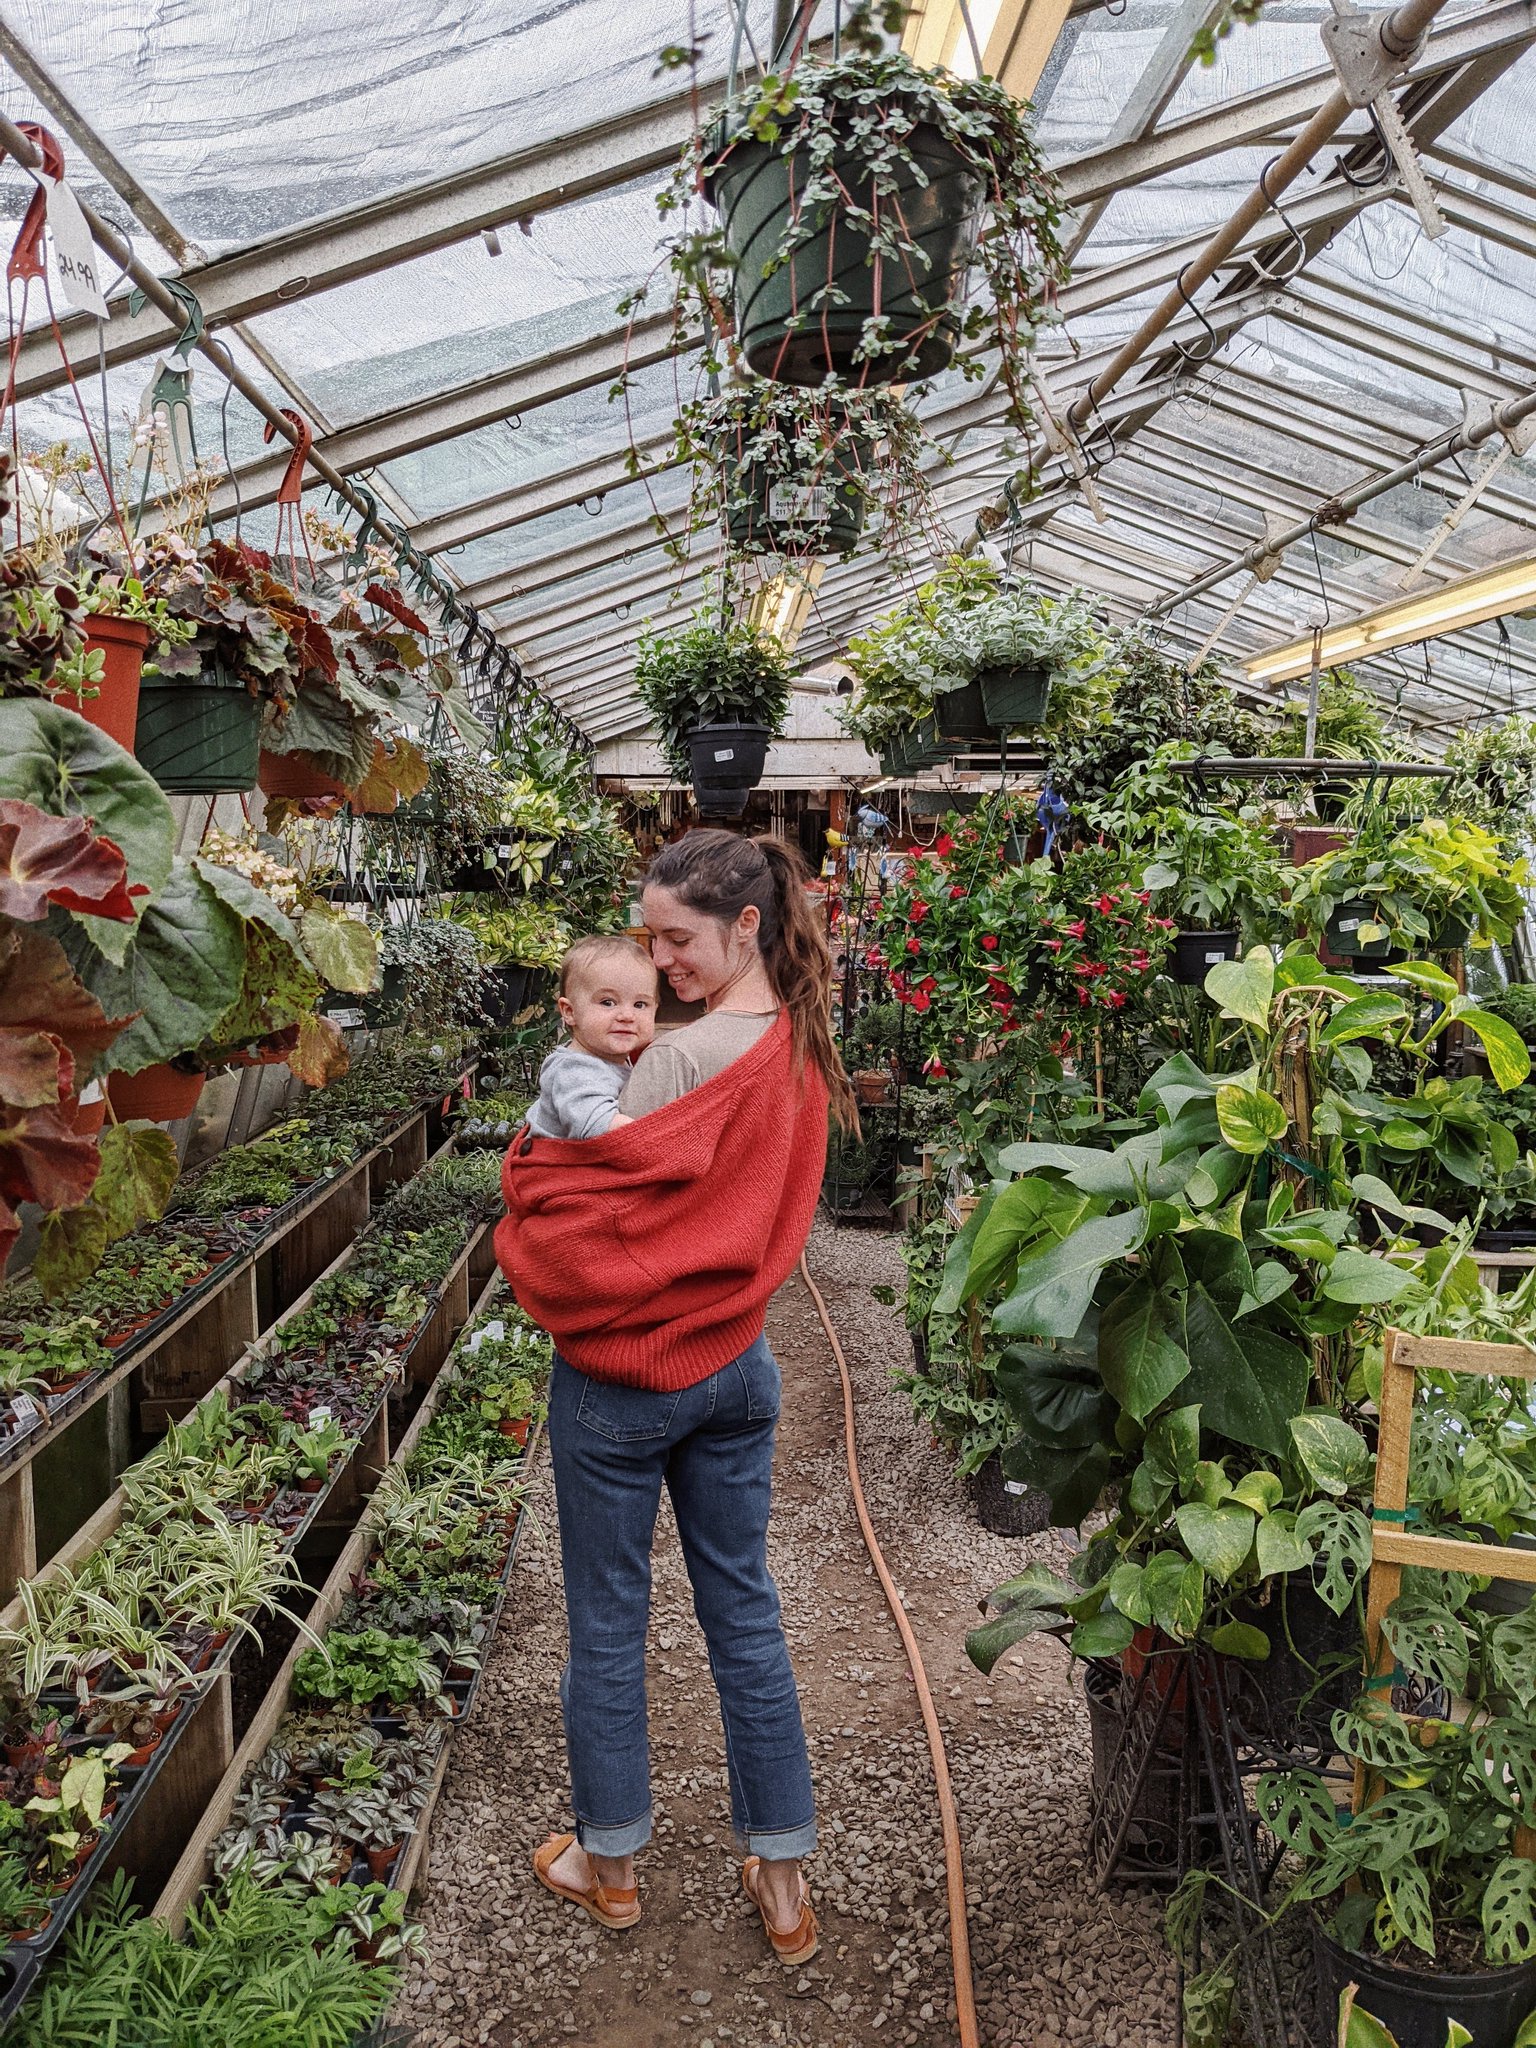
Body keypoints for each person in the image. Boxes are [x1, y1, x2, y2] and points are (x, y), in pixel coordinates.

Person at [497, 831, 858, 1967]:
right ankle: (785, 1880)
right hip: (739, 1368)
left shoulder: (675, 1061)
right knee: (743, 1606)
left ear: (745, 924)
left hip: (625, 1381)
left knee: (607, 1619)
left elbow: (578, 1225)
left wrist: (526, 1182)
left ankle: (608, 1871)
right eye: (648, 936)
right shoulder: (797, 1037)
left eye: (676, 938)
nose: (657, 962)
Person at [525, 934, 658, 1141]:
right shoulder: (573, 1069)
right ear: (569, 1011)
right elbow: (597, 1125)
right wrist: (661, 1134)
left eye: (640, 1004)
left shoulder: (613, 1058)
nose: (627, 1016)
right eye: (607, 1002)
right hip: (556, 1169)